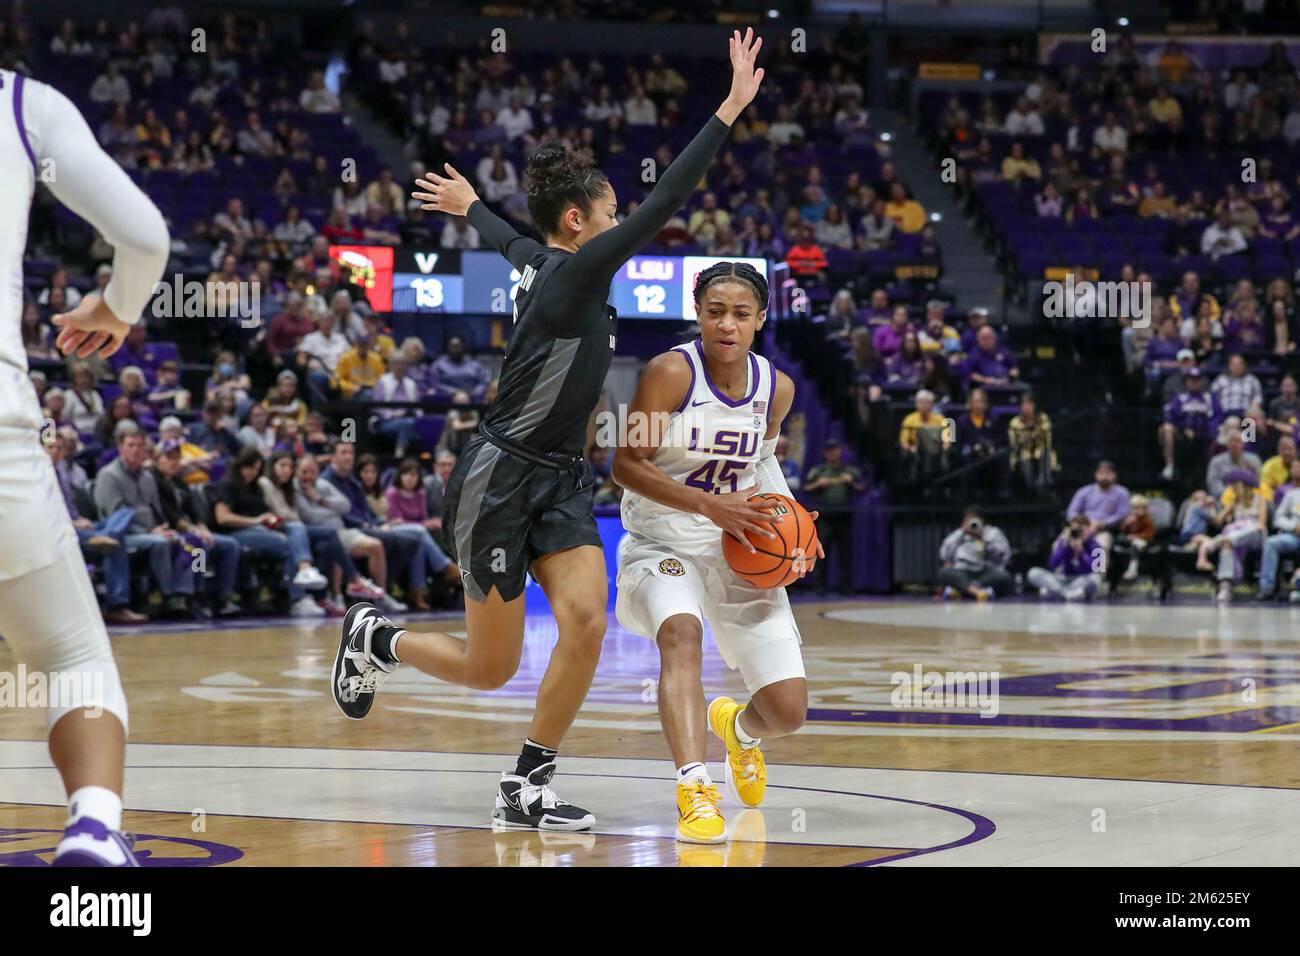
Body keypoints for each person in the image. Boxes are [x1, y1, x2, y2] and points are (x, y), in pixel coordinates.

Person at [332, 29, 767, 833]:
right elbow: (667, 200)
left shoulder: (547, 261)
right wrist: (729, 111)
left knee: (588, 622)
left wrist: (472, 209)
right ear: (582, 222)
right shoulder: (578, 270)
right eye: (609, 213)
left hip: (562, 477)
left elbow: (511, 242)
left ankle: (526, 786)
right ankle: (377, 640)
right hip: (500, 477)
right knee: (489, 668)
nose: (621, 222)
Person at [0, 65, 171, 865]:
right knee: (70, 656)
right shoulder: (21, 103)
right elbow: (145, 237)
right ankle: (96, 832)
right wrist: (121, 305)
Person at [612, 261, 820, 843]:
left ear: (760, 320)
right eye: (715, 312)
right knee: (681, 636)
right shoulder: (670, 372)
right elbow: (625, 465)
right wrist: (710, 507)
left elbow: (761, 462)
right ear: (698, 314)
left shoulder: (777, 388)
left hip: (736, 545)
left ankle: (739, 732)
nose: (726, 324)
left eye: (740, 314)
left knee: (788, 711)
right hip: (661, 543)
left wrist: (792, 521)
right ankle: (693, 787)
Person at [211, 446, 329, 617]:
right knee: (286, 544)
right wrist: (256, 520)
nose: (252, 472)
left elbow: (262, 514)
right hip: (236, 533)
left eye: (257, 469)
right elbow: (222, 518)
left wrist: (270, 521)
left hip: (260, 530)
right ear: (240, 465)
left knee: (296, 529)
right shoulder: (228, 484)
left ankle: (305, 572)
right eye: (249, 467)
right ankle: (297, 599)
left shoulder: (254, 487)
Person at [385, 458, 461, 610]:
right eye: (406, 474)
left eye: (414, 475)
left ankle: (417, 593)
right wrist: (424, 524)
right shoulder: (392, 493)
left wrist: (425, 524)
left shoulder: (420, 493)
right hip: (394, 531)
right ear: (400, 476)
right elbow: (396, 521)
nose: (410, 478)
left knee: (419, 545)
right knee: (420, 532)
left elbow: (423, 519)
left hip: (417, 534)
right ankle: (446, 566)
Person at [1194, 469, 1266, 605]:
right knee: (1228, 543)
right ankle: (1225, 587)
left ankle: (1214, 543)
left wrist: (1244, 526)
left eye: (1234, 484)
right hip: (1235, 538)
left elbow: (1261, 525)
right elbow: (1217, 521)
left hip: (1255, 535)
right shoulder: (1234, 503)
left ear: (1243, 485)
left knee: (1241, 532)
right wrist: (1211, 507)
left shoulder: (1260, 499)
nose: (1232, 488)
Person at [803, 438, 865, 593]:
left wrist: (851, 483)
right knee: (823, 552)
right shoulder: (819, 471)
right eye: (830, 450)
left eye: (835, 449)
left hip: (844, 515)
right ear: (825, 453)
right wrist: (818, 484)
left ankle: (847, 586)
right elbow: (806, 488)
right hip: (825, 516)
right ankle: (819, 585)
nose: (833, 453)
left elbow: (862, 487)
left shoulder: (849, 471)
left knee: (845, 553)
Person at [937, 509, 1012, 601]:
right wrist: (962, 533)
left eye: (975, 520)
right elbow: (944, 555)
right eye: (969, 520)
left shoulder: (992, 533)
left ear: (982, 520)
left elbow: (1004, 556)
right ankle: (977, 592)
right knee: (944, 572)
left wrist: (983, 539)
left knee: (1004, 576)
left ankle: (963, 591)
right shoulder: (959, 533)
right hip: (962, 571)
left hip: (984, 572)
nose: (973, 524)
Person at [1028, 515, 1103, 601]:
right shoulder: (1064, 541)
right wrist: (1064, 546)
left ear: (1088, 529)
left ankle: (1056, 591)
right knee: (1033, 573)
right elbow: (1053, 564)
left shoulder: (1096, 546)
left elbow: (1096, 570)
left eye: (1081, 530)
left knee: (1095, 579)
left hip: (1081, 580)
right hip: (1062, 578)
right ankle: (1067, 593)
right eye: (1075, 530)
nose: (1078, 533)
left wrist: (1081, 552)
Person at [1066, 460, 1130, 553]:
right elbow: (1072, 511)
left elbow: (1122, 514)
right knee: (1061, 543)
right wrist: (1079, 523)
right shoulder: (1085, 491)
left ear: (1114, 475)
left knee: (1100, 548)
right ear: (1096, 474)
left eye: (1108, 473)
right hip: (1080, 528)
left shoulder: (1121, 493)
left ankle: (1097, 568)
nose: (1104, 476)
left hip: (1104, 530)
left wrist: (1101, 524)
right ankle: (1062, 568)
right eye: (1101, 473)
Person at [1258, 479, 1300, 601]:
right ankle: (1267, 588)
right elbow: (1278, 518)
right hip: (1294, 536)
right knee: (1271, 543)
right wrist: (1293, 526)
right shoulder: (1292, 494)